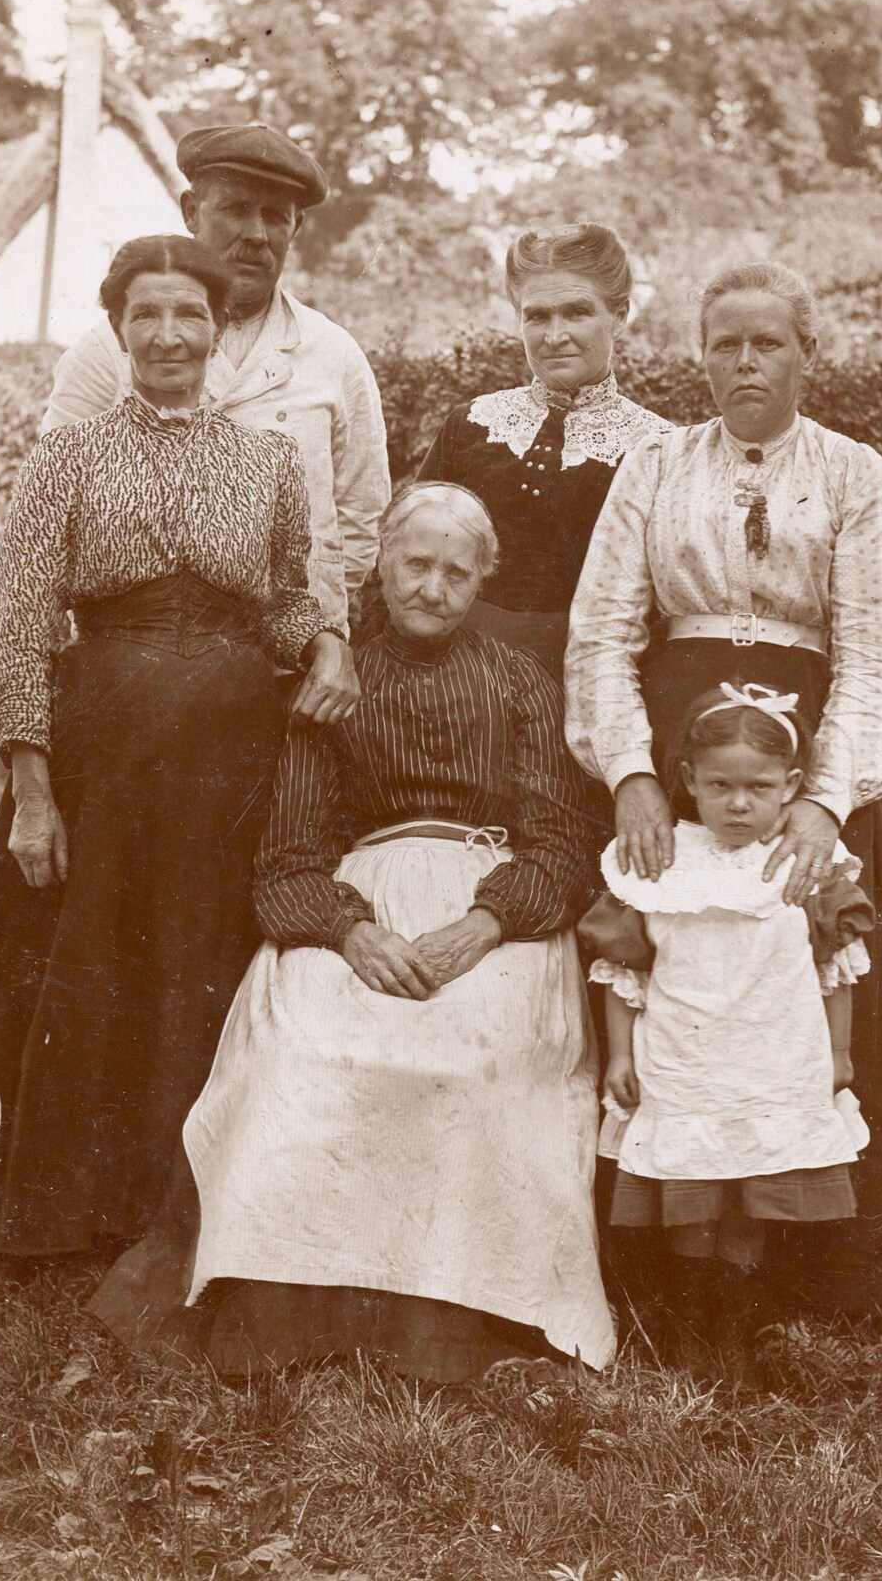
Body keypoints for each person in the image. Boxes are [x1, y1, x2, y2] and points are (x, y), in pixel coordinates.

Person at [90, 483, 615, 1382]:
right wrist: (351, 933)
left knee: (480, 1054)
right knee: (308, 1048)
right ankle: (283, 1316)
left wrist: (486, 923)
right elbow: (288, 861)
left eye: (458, 571)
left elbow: (561, 843)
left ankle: (467, 1325)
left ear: (482, 580)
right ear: (381, 563)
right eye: (416, 564)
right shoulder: (336, 686)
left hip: (497, 908)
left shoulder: (523, 683)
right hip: (359, 897)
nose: (433, 588)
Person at [0, 235, 344, 1258]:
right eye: (144, 314)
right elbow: (21, 619)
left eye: (187, 313)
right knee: (95, 969)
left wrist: (328, 642)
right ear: (117, 330)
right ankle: (68, 1217)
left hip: (226, 762)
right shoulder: (67, 454)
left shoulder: (268, 457)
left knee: (196, 966)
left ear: (216, 326)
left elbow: (286, 596)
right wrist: (32, 789)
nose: (167, 334)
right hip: (100, 753)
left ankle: (181, 1217)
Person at [566, 260, 882, 1324]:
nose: (743, 362)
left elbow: (875, 653)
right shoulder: (654, 464)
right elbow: (601, 632)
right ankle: (659, 1284)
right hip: (677, 765)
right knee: (666, 982)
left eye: (767, 342)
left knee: (804, 979)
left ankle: (820, 1288)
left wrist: (827, 801)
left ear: (807, 356)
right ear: (700, 356)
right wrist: (631, 771)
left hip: (801, 765)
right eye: (723, 342)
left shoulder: (858, 475)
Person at [585, 682, 874, 1374]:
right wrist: (620, 1053)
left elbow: (836, 965)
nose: (738, 803)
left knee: (749, 1189)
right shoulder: (660, 858)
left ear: (791, 785)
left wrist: (837, 1051)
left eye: (758, 786)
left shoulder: (808, 863)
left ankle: (737, 1334)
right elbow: (626, 972)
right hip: (686, 1054)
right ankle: (691, 1332)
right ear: (688, 780)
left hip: (772, 1054)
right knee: (692, 1190)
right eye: (719, 785)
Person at [41, 122, 390, 657]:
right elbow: (54, 510)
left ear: (294, 229)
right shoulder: (105, 349)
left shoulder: (333, 354)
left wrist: (314, 629)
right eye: (235, 207)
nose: (255, 234)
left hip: (293, 663)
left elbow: (362, 515)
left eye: (275, 217)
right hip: (140, 659)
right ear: (190, 211)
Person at [415, 222, 671, 678]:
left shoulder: (659, 449)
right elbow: (408, 562)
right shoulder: (472, 424)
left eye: (576, 313)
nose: (554, 336)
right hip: (452, 678)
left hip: (588, 679)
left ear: (619, 316)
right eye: (537, 316)